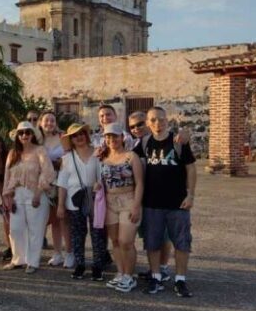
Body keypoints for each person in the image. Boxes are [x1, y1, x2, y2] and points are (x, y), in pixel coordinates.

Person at [134, 106, 197, 297]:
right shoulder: (144, 143)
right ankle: (155, 276)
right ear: (147, 123)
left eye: (161, 119)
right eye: (153, 120)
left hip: (177, 203)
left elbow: (191, 169)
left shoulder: (178, 141)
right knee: (152, 243)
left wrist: (191, 195)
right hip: (152, 203)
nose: (157, 124)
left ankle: (180, 280)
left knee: (182, 243)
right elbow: (126, 158)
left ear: (167, 121)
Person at [1, 121, 55, 274]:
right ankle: (18, 259)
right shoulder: (13, 154)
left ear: (32, 134)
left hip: (36, 192)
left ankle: (33, 262)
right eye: (21, 133)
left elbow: (48, 172)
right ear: (17, 136)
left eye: (27, 132)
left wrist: (38, 193)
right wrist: (8, 196)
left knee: (35, 229)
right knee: (16, 228)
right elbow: (7, 176)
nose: (24, 135)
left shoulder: (40, 150)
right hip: (17, 193)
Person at [56, 124, 106, 280]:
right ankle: (80, 264)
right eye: (75, 136)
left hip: (95, 198)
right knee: (77, 234)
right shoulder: (66, 158)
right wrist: (60, 205)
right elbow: (62, 184)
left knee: (98, 233)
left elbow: (102, 175)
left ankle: (98, 265)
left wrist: (99, 184)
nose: (79, 137)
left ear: (86, 135)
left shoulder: (98, 154)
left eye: (81, 134)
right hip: (74, 199)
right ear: (71, 139)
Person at [98, 123, 144, 292]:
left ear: (122, 137)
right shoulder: (103, 157)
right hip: (110, 202)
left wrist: (136, 206)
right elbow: (101, 180)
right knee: (115, 241)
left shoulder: (131, 156)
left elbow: (139, 183)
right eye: (108, 136)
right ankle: (120, 272)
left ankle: (129, 276)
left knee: (126, 241)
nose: (111, 139)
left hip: (128, 200)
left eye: (115, 136)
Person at [129, 110, 172, 283]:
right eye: (132, 126)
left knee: (164, 236)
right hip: (145, 197)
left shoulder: (165, 140)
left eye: (139, 124)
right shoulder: (139, 145)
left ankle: (162, 268)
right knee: (150, 236)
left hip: (165, 196)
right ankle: (154, 269)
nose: (136, 128)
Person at [38, 112, 67, 267]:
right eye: (46, 120)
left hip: (59, 181)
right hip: (40, 183)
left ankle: (59, 253)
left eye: (52, 120)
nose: (49, 123)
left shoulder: (63, 137)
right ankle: (32, 252)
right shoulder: (36, 139)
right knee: (39, 218)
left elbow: (69, 156)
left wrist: (60, 163)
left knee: (58, 218)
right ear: (41, 122)